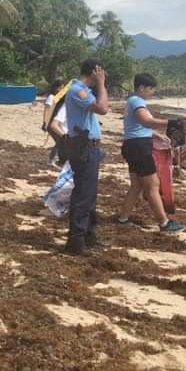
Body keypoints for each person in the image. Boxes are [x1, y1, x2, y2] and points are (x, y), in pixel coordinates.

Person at [115, 73, 186, 233]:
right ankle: (164, 223)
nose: (151, 92)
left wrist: (157, 135)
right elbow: (146, 121)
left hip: (132, 145)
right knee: (153, 185)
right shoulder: (137, 101)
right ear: (141, 87)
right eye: (150, 89)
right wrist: (172, 122)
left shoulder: (132, 101)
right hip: (139, 148)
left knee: (137, 185)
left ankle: (123, 218)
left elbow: (138, 126)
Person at [62, 60, 109, 255]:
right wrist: (101, 83)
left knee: (89, 194)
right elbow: (103, 108)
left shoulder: (83, 90)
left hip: (89, 147)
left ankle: (88, 234)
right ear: (95, 72)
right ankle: (76, 241)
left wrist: (99, 86)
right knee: (83, 194)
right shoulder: (77, 90)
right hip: (84, 147)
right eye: (101, 72)